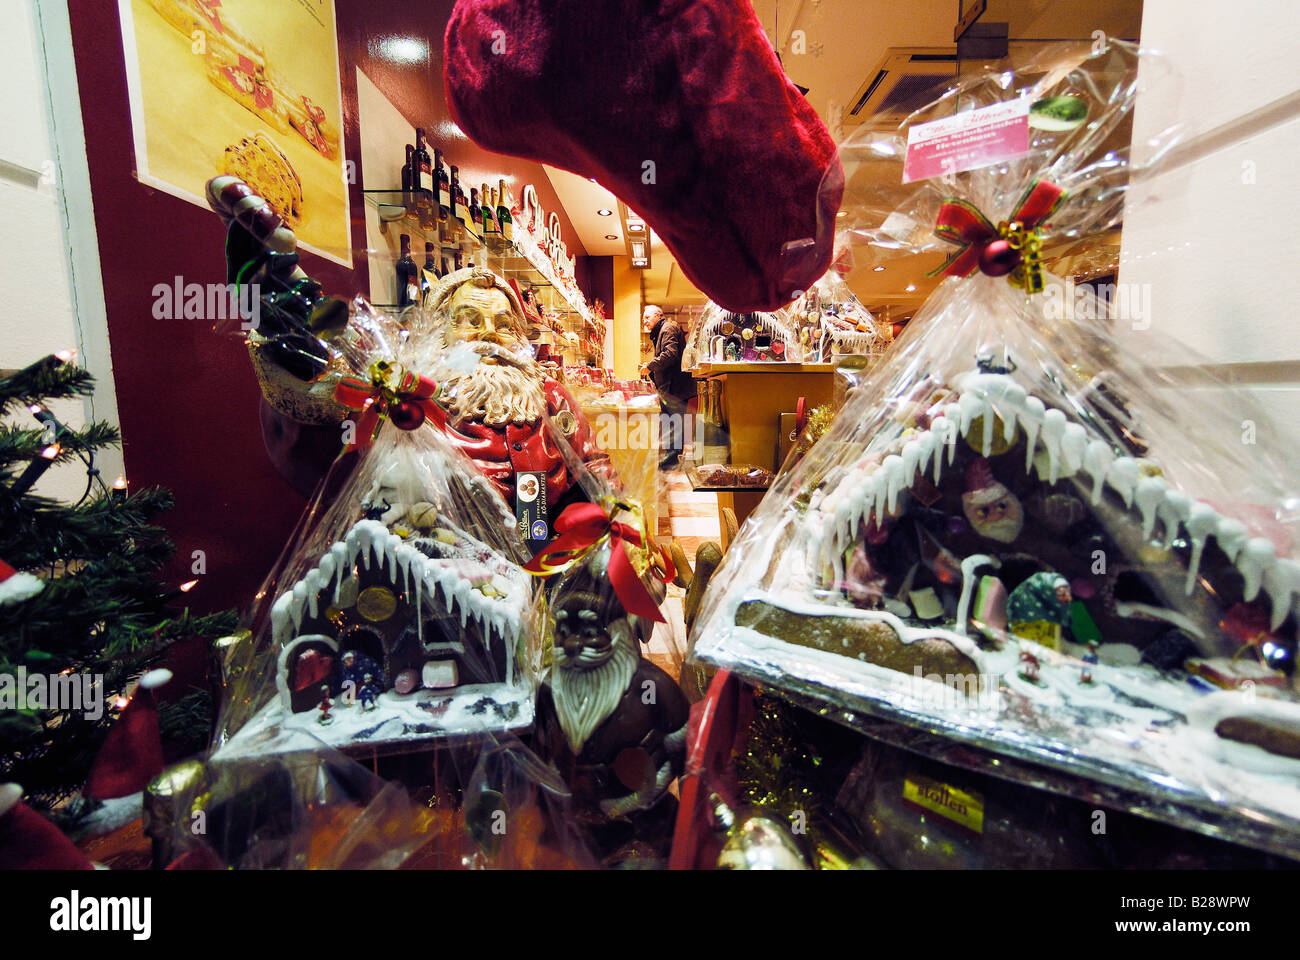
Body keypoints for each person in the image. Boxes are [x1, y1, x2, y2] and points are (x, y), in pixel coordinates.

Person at [638, 305, 696, 470]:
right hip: (671, 388)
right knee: (672, 423)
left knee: (673, 424)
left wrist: (649, 366)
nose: (645, 321)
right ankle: (671, 461)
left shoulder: (667, 329)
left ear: (658, 315)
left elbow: (670, 354)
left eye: (647, 317)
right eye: (644, 318)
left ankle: (671, 462)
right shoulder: (662, 331)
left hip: (674, 388)